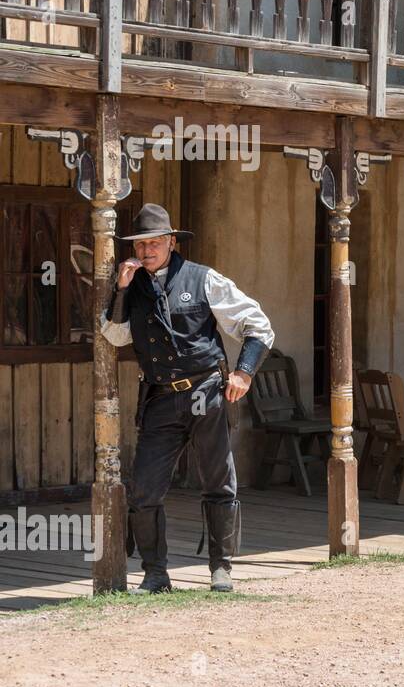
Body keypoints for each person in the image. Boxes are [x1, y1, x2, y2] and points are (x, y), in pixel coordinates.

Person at [100, 204, 274, 593]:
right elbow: (114, 337)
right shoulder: (131, 288)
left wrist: (243, 372)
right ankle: (155, 574)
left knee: (218, 480)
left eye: (155, 243)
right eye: (141, 244)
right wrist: (122, 290)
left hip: (205, 392)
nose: (147, 251)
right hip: (160, 398)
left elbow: (258, 325)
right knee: (144, 487)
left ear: (172, 243)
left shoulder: (203, 279)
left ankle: (221, 568)